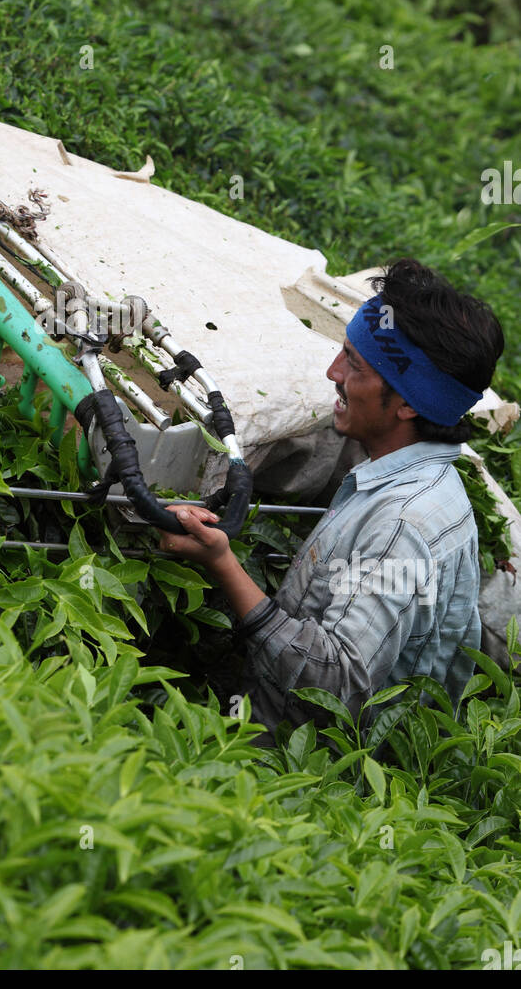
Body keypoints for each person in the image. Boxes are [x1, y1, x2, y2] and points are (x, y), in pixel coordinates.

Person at [158, 259, 505, 739]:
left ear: (408, 403)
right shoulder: (410, 479)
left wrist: (224, 566)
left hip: (293, 764)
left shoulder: (404, 522)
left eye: (355, 365)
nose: (332, 371)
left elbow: (336, 685)